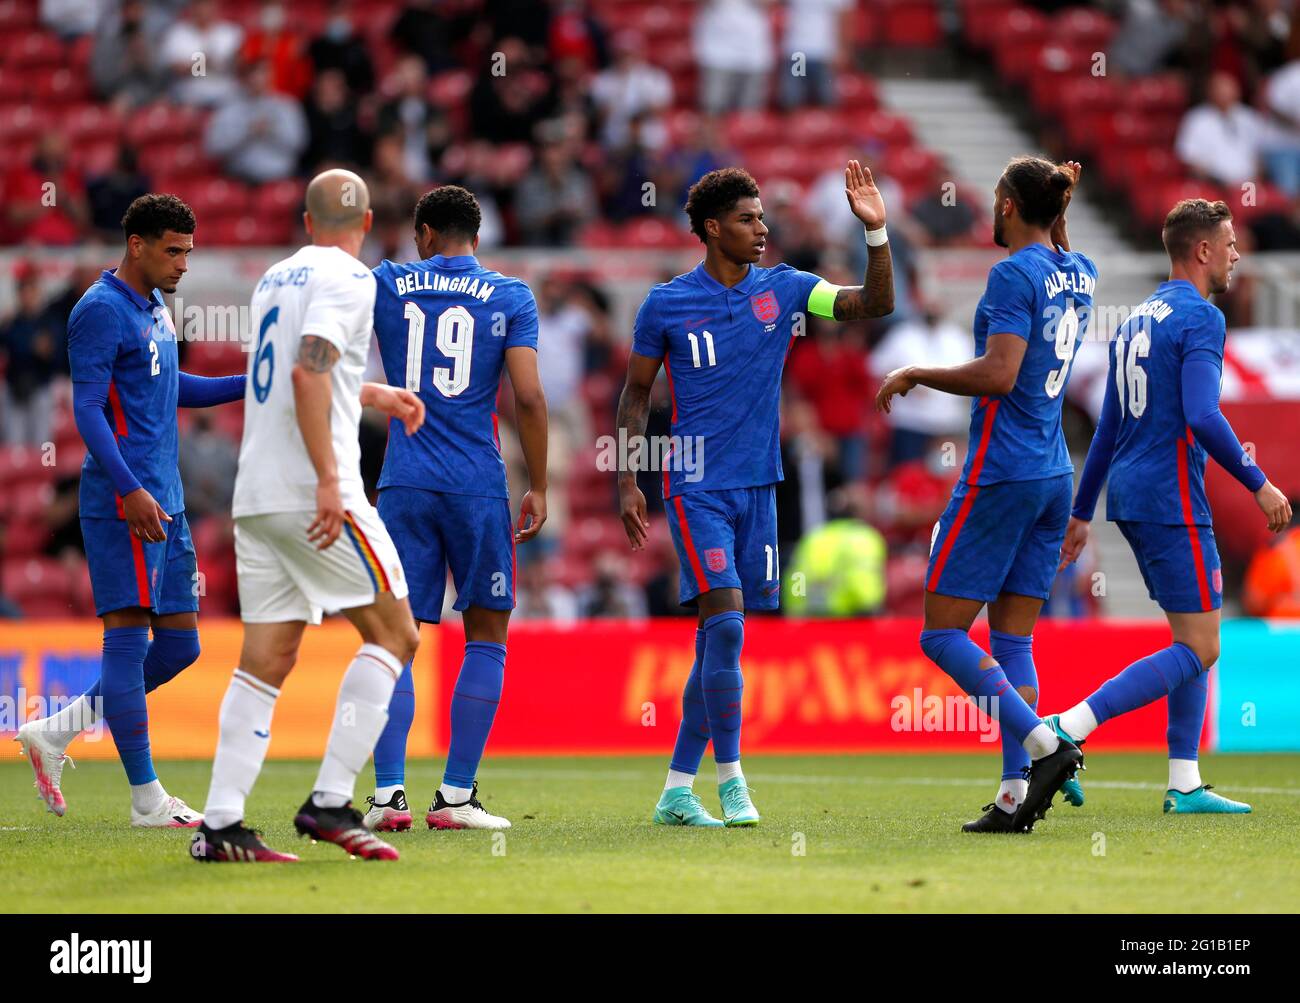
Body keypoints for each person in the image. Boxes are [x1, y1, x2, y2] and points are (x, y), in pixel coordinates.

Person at [618, 162, 893, 827]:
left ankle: (676, 792)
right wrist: (628, 476)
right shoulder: (666, 303)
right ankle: (733, 782)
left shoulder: (788, 290)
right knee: (731, 625)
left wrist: (877, 233)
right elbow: (634, 394)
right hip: (695, 485)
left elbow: (873, 304)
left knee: (717, 639)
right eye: (748, 219)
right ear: (713, 229)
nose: (762, 228)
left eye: (763, 217)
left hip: (760, 489)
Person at [191, 170, 425, 863]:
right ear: (371, 219)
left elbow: (302, 363)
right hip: (314, 489)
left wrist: (372, 392)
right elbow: (307, 372)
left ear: (304, 219)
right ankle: (329, 801)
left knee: (267, 660)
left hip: (257, 494)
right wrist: (330, 477)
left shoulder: (275, 278)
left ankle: (221, 824)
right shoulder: (355, 280)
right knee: (397, 633)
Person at [876, 157, 1093, 833]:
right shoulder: (1080, 270)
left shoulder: (1010, 274)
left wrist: (918, 370)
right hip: (1056, 471)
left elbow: (1000, 374)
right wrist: (1059, 204)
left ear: (1004, 206)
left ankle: (1044, 744)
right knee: (1013, 638)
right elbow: (1059, 243)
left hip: (1003, 471)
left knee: (941, 632)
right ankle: (1012, 795)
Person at [1053, 198, 1292, 814]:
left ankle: (1184, 780)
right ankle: (1070, 726)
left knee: (1191, 633)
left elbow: (1106, 427)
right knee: (1203, 646)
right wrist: (1259, 482)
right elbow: (1201, 414)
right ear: (1203, 250)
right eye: (1232, 242)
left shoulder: (1135, 320)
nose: (1238, 253)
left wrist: (1083, 512)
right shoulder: (1201, 318)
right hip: (1171, 496)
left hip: (1131, 495)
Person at [15, 195, 246, 826]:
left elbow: (174, 388)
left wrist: (252, 381)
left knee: (180, 647)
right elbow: (89, 410)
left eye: (188, 253)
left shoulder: (154, 309)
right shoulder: (99, 310)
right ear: (136, 245)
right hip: (126, 503)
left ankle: (55, 731)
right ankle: (147, 800)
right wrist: (128, 489)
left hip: (163, 499)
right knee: (125, 643)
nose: (183, 265)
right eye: (173, 250)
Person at [361, 184, 548, 833]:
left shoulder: (387, 280)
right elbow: (527, 398)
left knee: (395, 639)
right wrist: (541, 484)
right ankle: (458, 796)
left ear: (425, 235)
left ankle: (388, 796)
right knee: (487, 634)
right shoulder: (510, 294)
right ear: (476, 235)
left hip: (403, 483)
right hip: (477, 486)